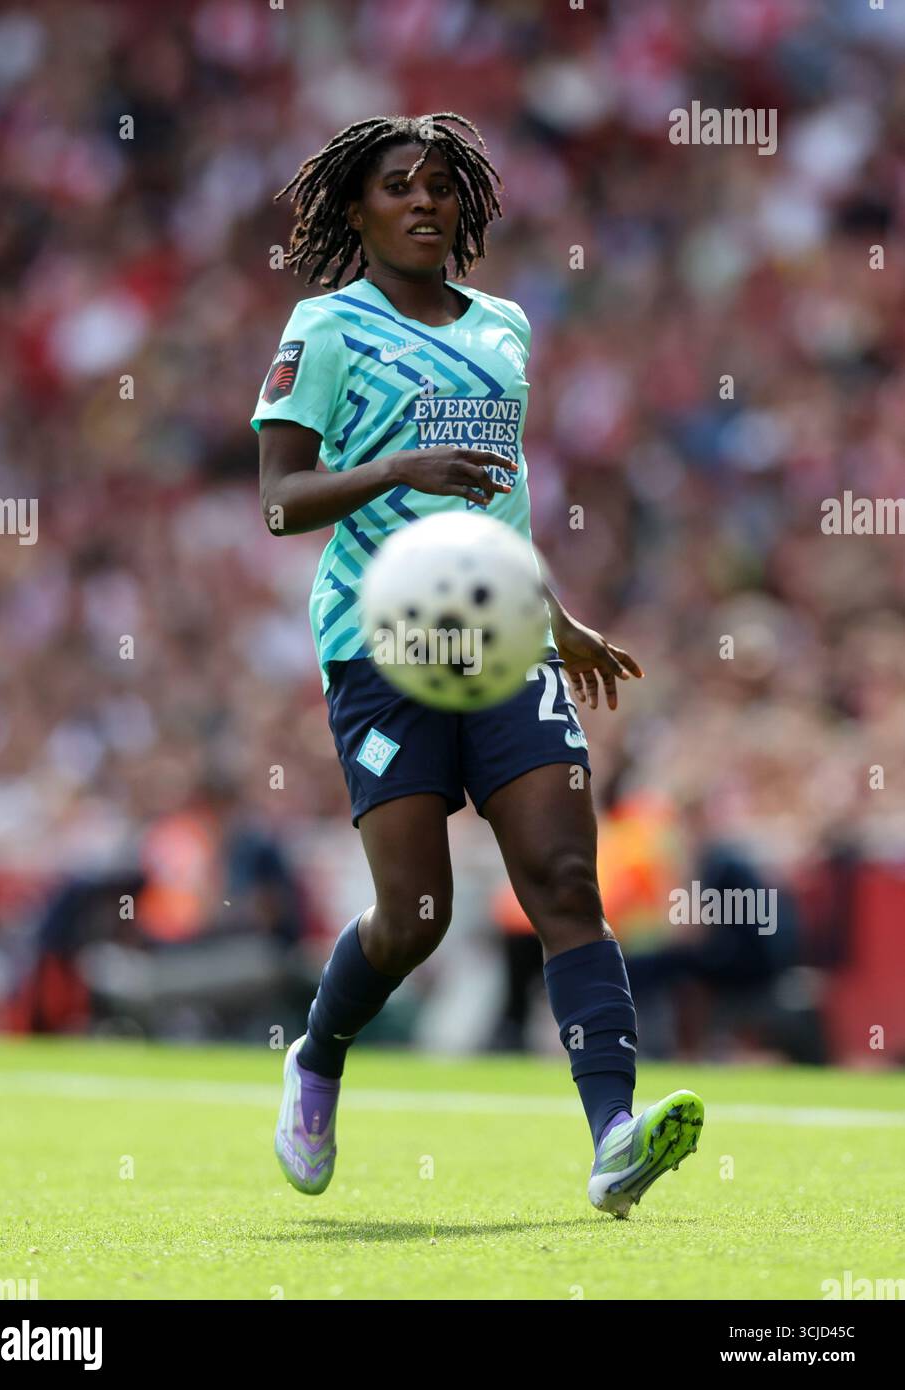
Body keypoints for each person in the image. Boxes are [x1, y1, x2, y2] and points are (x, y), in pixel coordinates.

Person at [254, 114, 703, 1218]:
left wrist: (558, 618)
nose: (424, 202)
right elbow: (277, 498)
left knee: (562, 880)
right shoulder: (326, 328)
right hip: (380, 644)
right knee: (415, 917)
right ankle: (317, 1056)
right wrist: (397, 462)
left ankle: (613, 1138)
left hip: (501, 638)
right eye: (398, 186)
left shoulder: (504, 327)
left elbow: (497, 506)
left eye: (442, 187)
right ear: (357, 211)